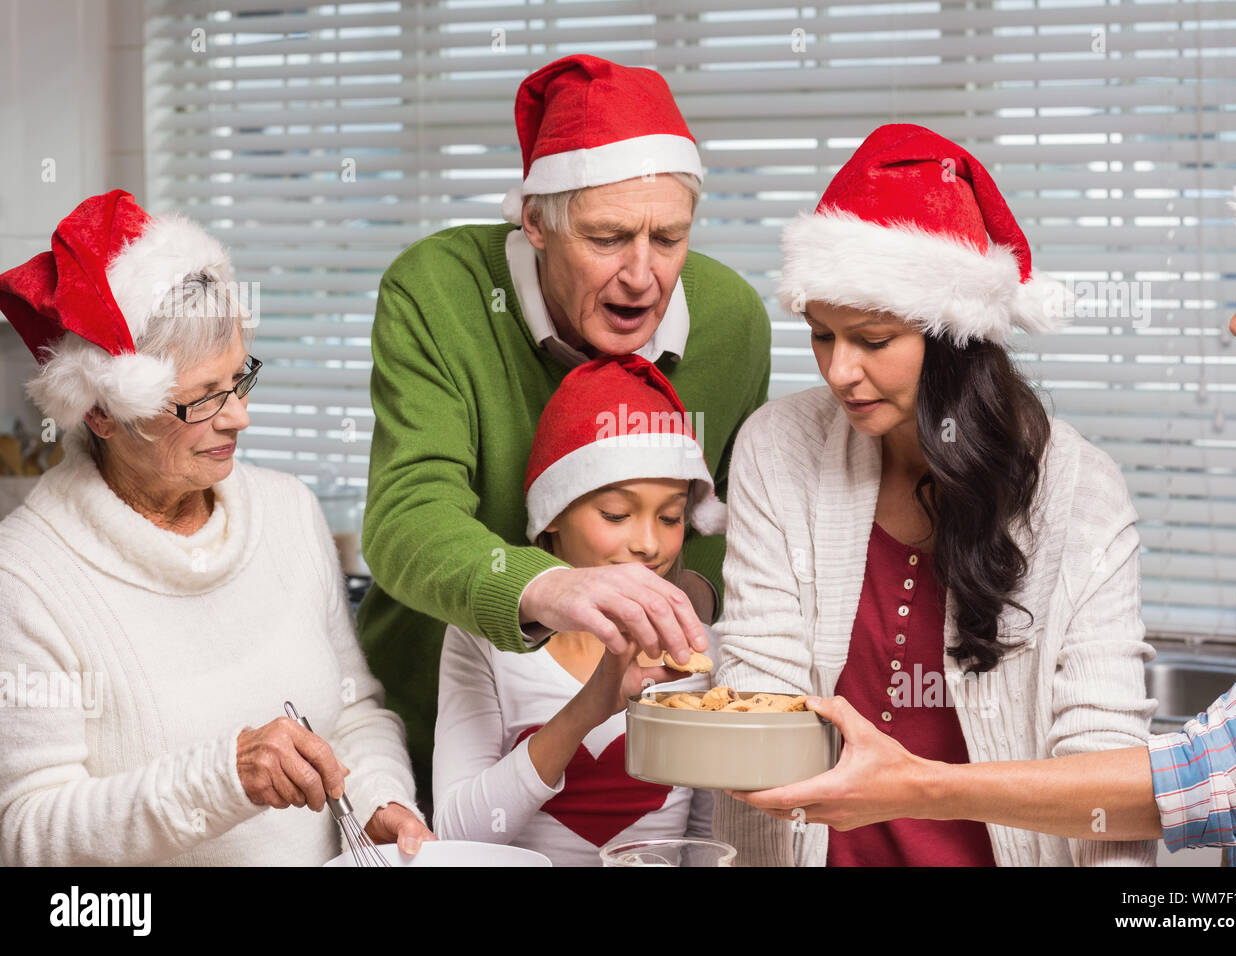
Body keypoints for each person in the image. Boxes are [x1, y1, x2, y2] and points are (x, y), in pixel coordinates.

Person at [729, 126, 1236, 868]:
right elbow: (752, 701)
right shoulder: (780, 448)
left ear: (953, 338)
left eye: (872, 339)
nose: (839, 371)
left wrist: (920, 787)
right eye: (820, 335)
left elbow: (1218, 768)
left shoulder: (1077, 491)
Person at [357, 54, 771, 795]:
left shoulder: (732, 320)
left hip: (643, 755)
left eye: (669, 239)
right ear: (536, 222)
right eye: (607, 238)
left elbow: (732, 526)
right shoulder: (438, 291)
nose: (642, 275)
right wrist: (552, 588)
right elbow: (405, 521)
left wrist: (678, 613)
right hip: (434, 753)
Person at [0, 191, 432, 865]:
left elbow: (353, 713)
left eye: (241, 378)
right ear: (104, 414)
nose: (239, 419)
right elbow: (30, 834)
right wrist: (222, 778)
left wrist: (381, 802)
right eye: (203, 397)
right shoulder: (28, 576)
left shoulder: (288, 511)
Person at [431, 355, 722, 865]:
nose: (650, 544)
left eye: (672, 516)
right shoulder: (484, 639)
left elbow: (703, 839)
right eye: (616, 513)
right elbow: (457, 834)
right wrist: (585, 713)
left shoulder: (698, 649)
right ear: (553, 517)